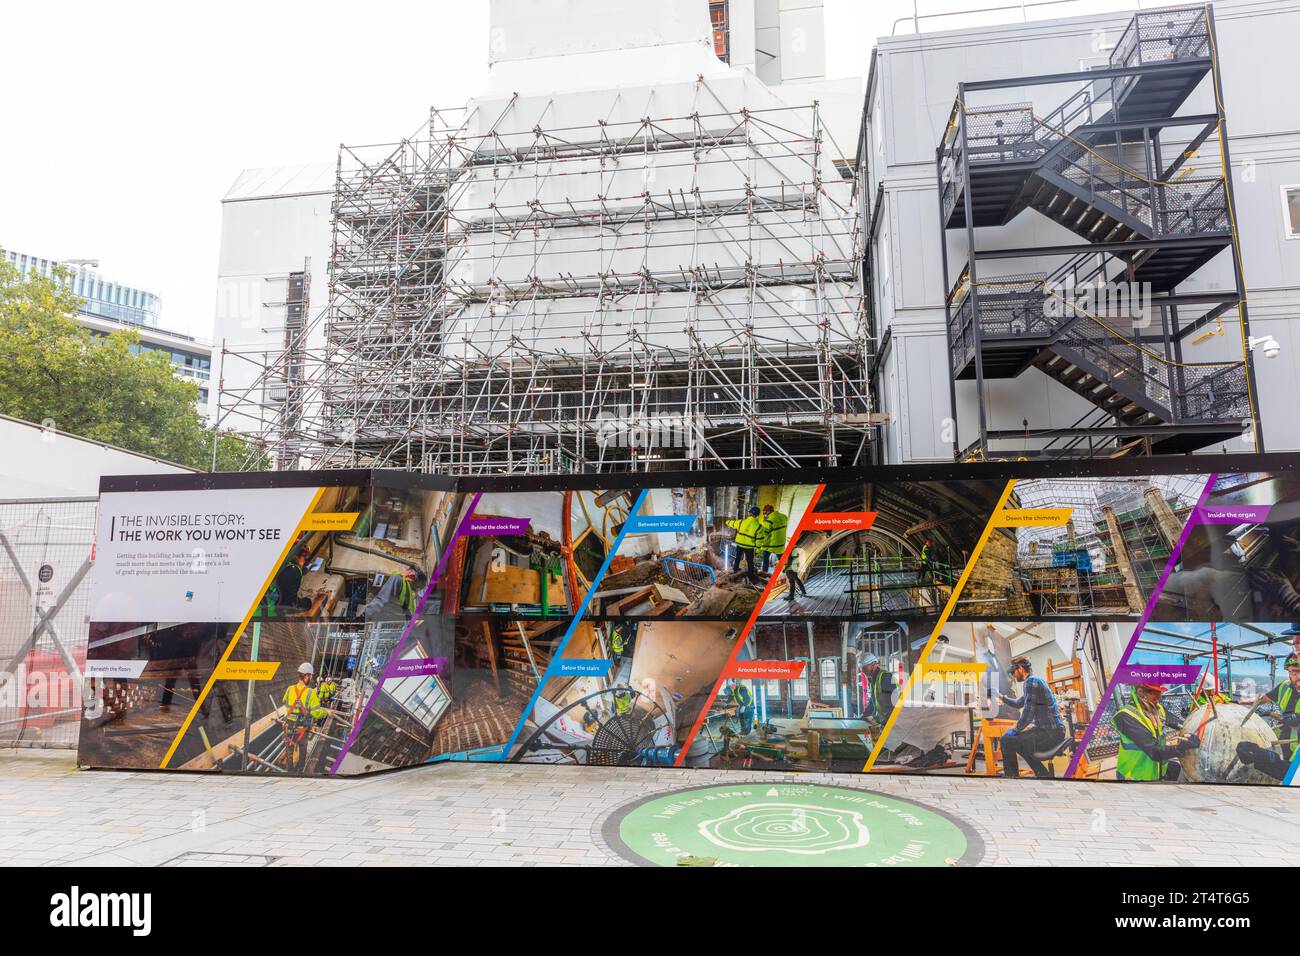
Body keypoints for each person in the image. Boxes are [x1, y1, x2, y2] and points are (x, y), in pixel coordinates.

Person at [1112, 683, 1198, 782]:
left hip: (1155, 769)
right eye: (1156, 693)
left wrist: (1192, 723)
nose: (1160, 697)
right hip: (1135, 776)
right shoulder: (1125, 716)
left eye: (1160, 692)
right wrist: (1180, 748)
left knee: (1175, 768)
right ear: (1140, 692)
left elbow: (1178, 723)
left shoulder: (1157, 709)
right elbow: (1154, 750)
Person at [998, 656, 1067, 778]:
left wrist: (1015, 730)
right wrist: (1002, 697)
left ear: (1020, 668)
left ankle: (1011, 777)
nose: (1014, 676)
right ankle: (1042, 773)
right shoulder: (1035, 681)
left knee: (1007, 739)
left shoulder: (1031, 682)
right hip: (1050, 731)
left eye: (1013, 672)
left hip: (1051, 733)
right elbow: (1019, 703)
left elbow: (1028, 712)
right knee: (1017, 740)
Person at [1237, 653, 1300, 781]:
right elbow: (1263, 698)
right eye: (1294, 672)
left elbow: (1293, 774)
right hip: (1282, 742)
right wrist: (1239, 702)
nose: (1298, 676)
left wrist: (1260, 756)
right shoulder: (1285, 686)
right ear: (1288, 672)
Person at [282, 663, 329, 772]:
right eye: (311, 676)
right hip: (301, 728)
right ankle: (300, 770)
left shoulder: (289, 689)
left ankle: (290, 772)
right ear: (306, 676)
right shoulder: (310, 693)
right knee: (303, 750)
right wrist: (326, 712)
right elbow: (316, 713)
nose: (311, 678)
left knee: (289, 751)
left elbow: (284, 701)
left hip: (288, 725)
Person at [726, 507, 764, 584]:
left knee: (738, 558)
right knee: (750, 561)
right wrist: (758, 549)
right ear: (757, 515)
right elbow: (759, 540)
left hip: (739, 544)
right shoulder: (759, 527)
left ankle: (735, 570)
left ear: (749, 513)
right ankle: (751, 576)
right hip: (749, 547)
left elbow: (730, 523)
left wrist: (727, 521)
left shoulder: (741, 522)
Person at [860, 655, 895, 726]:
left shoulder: (886, 677)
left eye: (865, 668)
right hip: (884, 720)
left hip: (891, 721)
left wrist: (883, 722)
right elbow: (873, 701)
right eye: (862, 669)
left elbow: (892, 703)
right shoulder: (873, 679)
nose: (863, 671)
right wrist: (864, 716)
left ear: (873, 664)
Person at [757, 504, 789, 574]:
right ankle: (785, 572)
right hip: (781, 543)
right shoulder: (784, 516)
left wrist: (758, 543)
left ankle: (764, 572)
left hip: (770, 544)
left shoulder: (769, 520)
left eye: (765, 512)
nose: (764, 514)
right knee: (781, 559)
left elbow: (764, 533)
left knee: (765, 557)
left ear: (768, 512)